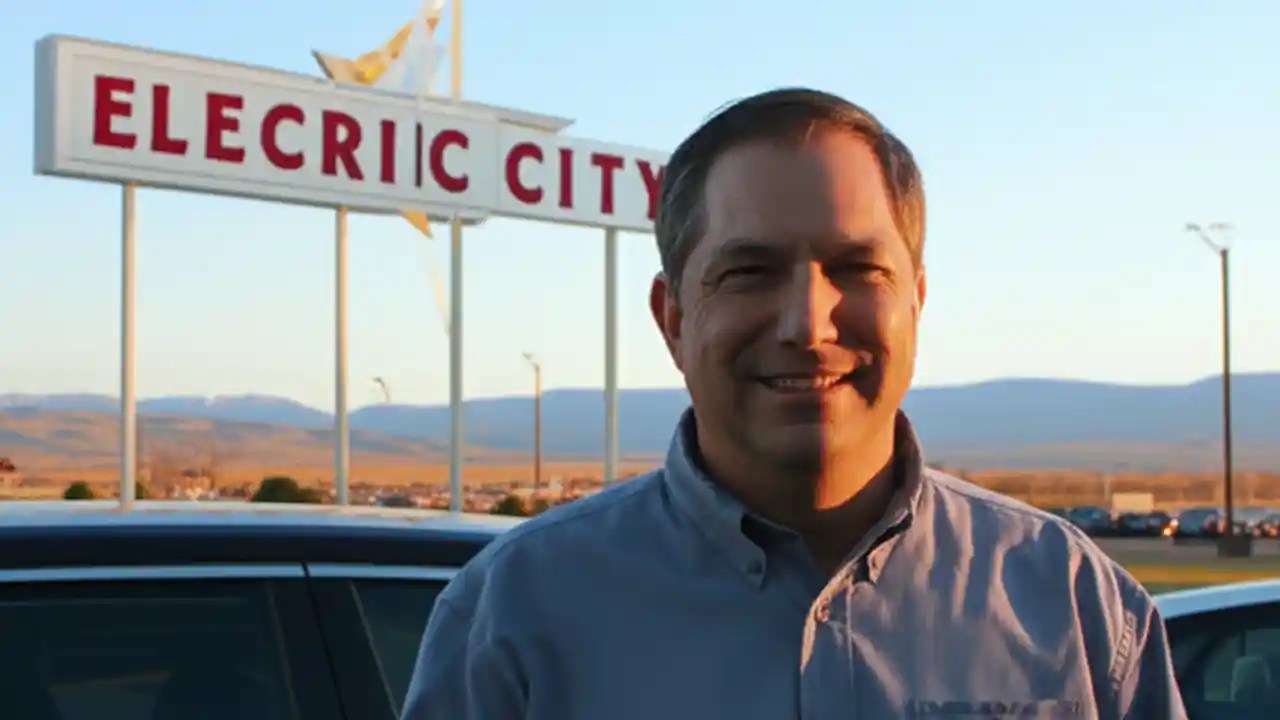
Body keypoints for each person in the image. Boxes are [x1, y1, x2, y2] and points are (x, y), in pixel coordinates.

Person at [401, 88, 1187, 719]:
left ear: (915, 302)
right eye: (749, 272)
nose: (808, 324)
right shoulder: (515, 615)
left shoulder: (1077, 609)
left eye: (855, 268)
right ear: (672, 319)